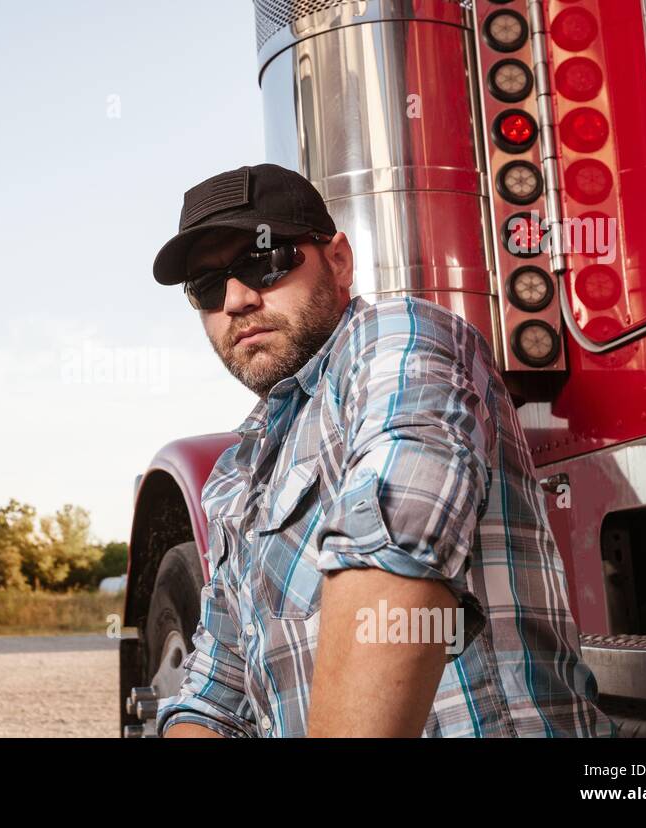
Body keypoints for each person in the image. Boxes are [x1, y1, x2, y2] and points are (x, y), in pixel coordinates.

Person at [151, 163, 614, 737]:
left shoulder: (394, 338)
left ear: (339, 260)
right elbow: (213, 693)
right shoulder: (234, 475)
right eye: (208, 286)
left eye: (265, 261)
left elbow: (391, 549)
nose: (237, 299)